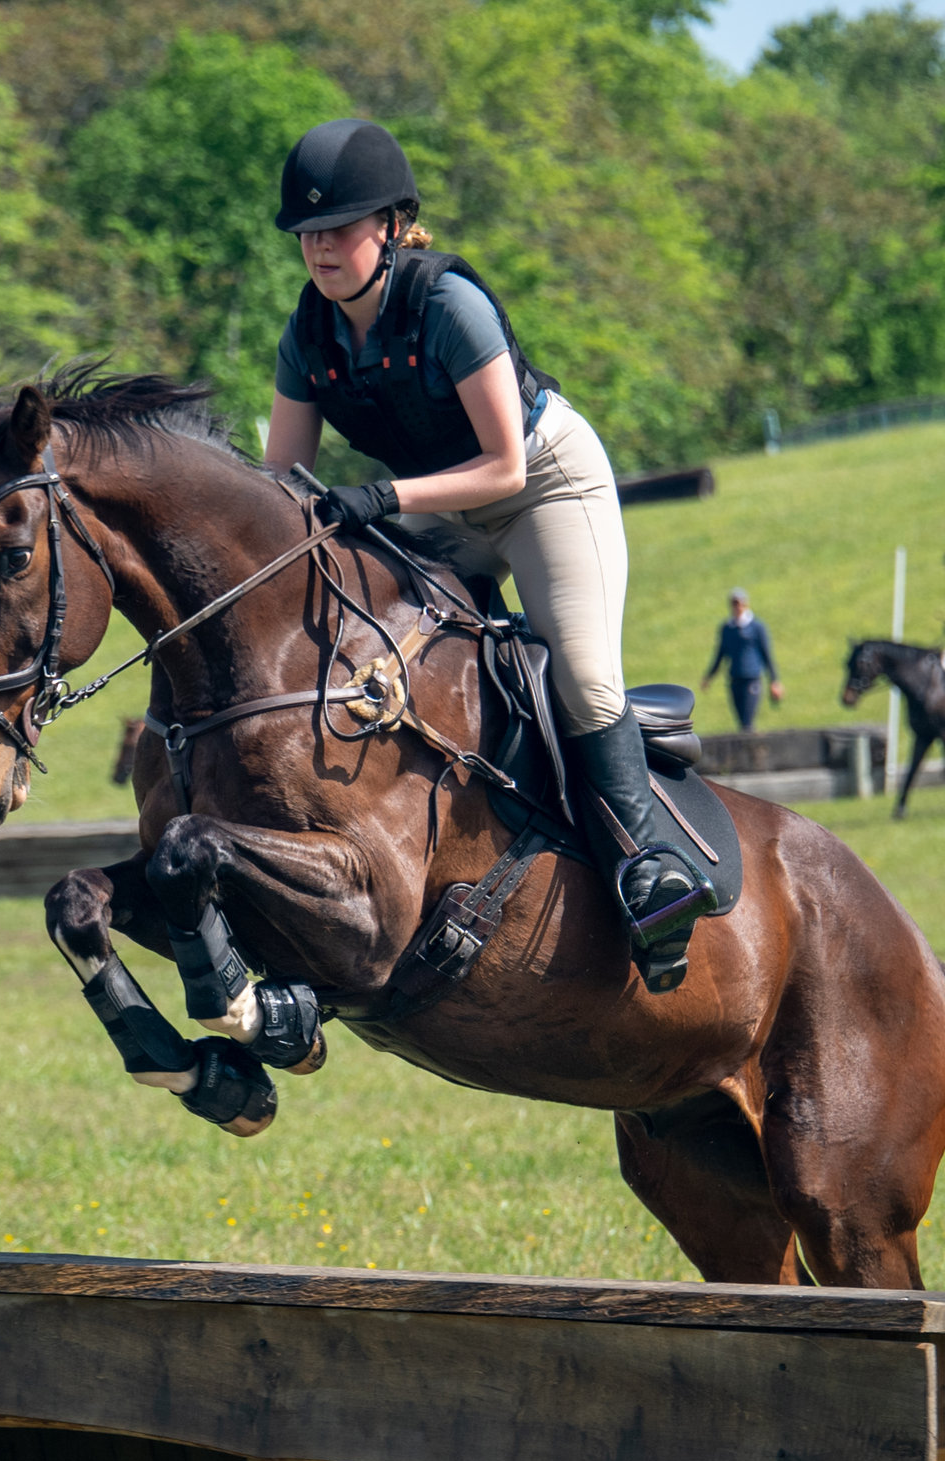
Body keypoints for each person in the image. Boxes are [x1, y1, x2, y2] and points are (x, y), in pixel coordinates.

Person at [262, 118, 711, 991]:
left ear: (392, 226)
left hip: (544, 485)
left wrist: (381, 499)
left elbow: (505, 464)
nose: (319, 246)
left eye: (339, 227)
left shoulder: (446, 304)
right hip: (443, 508)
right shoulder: (307, 334)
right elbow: (282, 482)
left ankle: (649, 867)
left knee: (582, 675)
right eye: (307, 232)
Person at [700, 589, 782, 732]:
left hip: (752, 678)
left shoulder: (756, 627)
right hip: (735, 679)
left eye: (740, 604)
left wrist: (774, 681)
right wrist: (709, 676)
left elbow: (767, 654)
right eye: (734, 604)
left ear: (746, 604)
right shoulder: (727, 628)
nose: (737, 607)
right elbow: (720, 654)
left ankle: (750, 744)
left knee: (747, 721)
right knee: (741, 722)